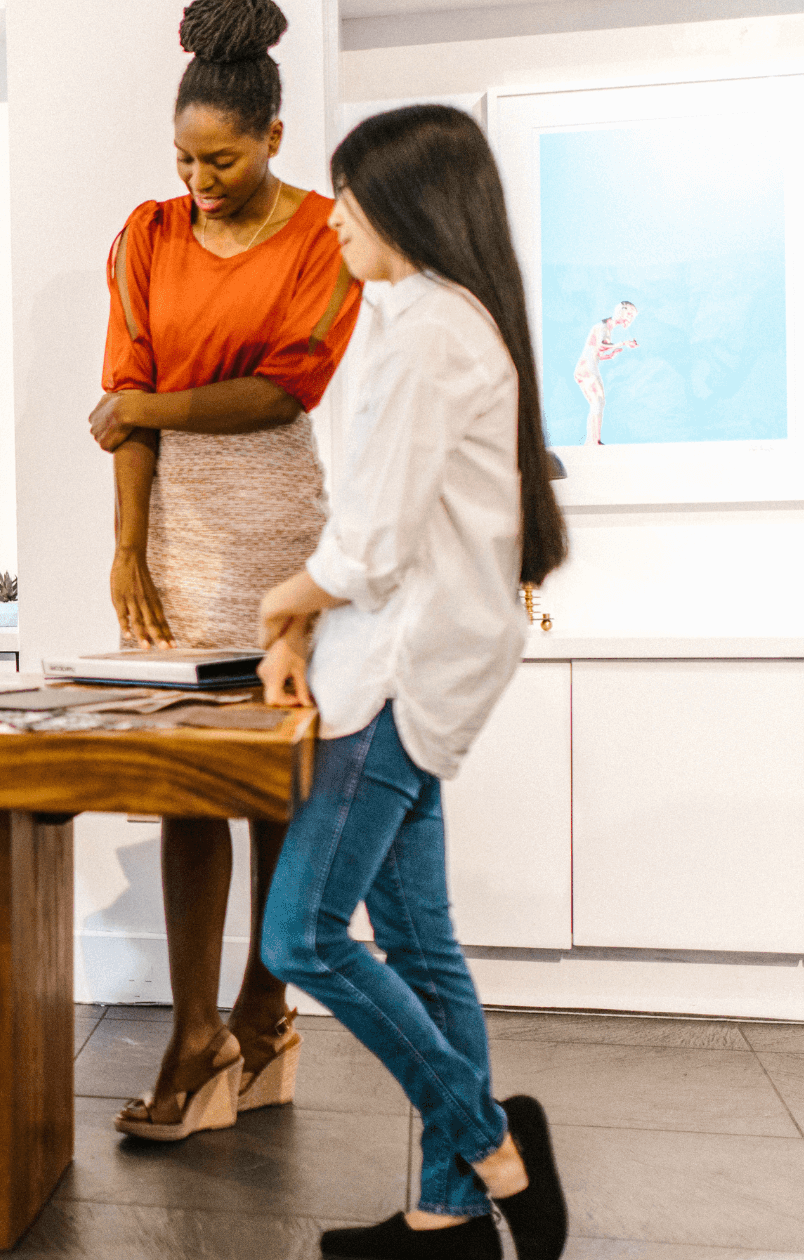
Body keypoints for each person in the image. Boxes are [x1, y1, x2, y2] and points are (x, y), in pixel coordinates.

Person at [257, 103, 571, 1260]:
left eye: (348, 196)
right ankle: (445, 1216)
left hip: (395, 671)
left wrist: (285, 604)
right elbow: (373, 517)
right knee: (417, 939)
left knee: (298, 940)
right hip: (394, 661)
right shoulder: (417, 320)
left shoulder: (436, 327)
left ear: (406, 205)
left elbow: (372, 538)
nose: (331, 215)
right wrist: (304, 624)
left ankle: (490, 1144)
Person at [90, 0, 362, 1141]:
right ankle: (193, 1030)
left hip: (276, 519)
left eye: (221, 158)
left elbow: (283, 390)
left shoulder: (319, 236)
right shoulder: (146, 235)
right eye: (183, 159)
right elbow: (123, 417)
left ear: (273, 138)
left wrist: (143, 404)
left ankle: (264, 1012)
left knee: (269, 783)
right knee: (178, 781)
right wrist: (123, 548)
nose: (198, 180)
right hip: (177, 533)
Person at [574, 300, 638, 445]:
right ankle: (593, 441)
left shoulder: (606, 329)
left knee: (598, 402)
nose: (630, 319)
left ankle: (593, 440)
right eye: (629, 314)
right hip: (587, 368)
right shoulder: (602, 327)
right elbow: (601, 346)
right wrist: (624, 343)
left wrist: (612, 354)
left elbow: (599, 353)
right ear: (621, 310)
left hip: (588, 367)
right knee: (598, 402)